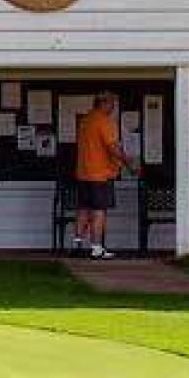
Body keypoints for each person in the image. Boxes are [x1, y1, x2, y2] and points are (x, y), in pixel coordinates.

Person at [73, 93, 139, 259]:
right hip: (100, 174)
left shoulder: (85, 121)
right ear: (103, 104)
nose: (113, 107)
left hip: (83, 173)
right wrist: (129, 164)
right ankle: (96, 248)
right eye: (111, 104)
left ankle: (77, 244)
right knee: (99, 211)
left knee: (83, 209)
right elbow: (113, 147)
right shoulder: (104, 121)